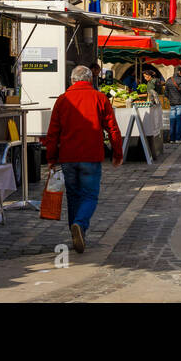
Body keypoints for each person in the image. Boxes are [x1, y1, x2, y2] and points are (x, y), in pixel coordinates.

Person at [44, 65, 124, 253]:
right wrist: (117, 153)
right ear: (89, 80)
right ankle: (80, 225)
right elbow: (112, 128)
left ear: (72, 80)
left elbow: (53, 132)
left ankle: (77, 232)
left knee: (73, 196)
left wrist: (51, 157)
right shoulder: (99, 98)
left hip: (68, 156)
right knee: (89, 195)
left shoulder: (63, 100)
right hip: (91, 155)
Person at [165, 68, 181, 142]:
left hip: (172, 103)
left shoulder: (168, 80)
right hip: (180, 103)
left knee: (172, 120)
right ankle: (178, 138)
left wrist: (171, 98)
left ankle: (172, 139)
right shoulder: (180, 80)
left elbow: (166, 93)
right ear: (179, 72)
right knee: (179, 120)